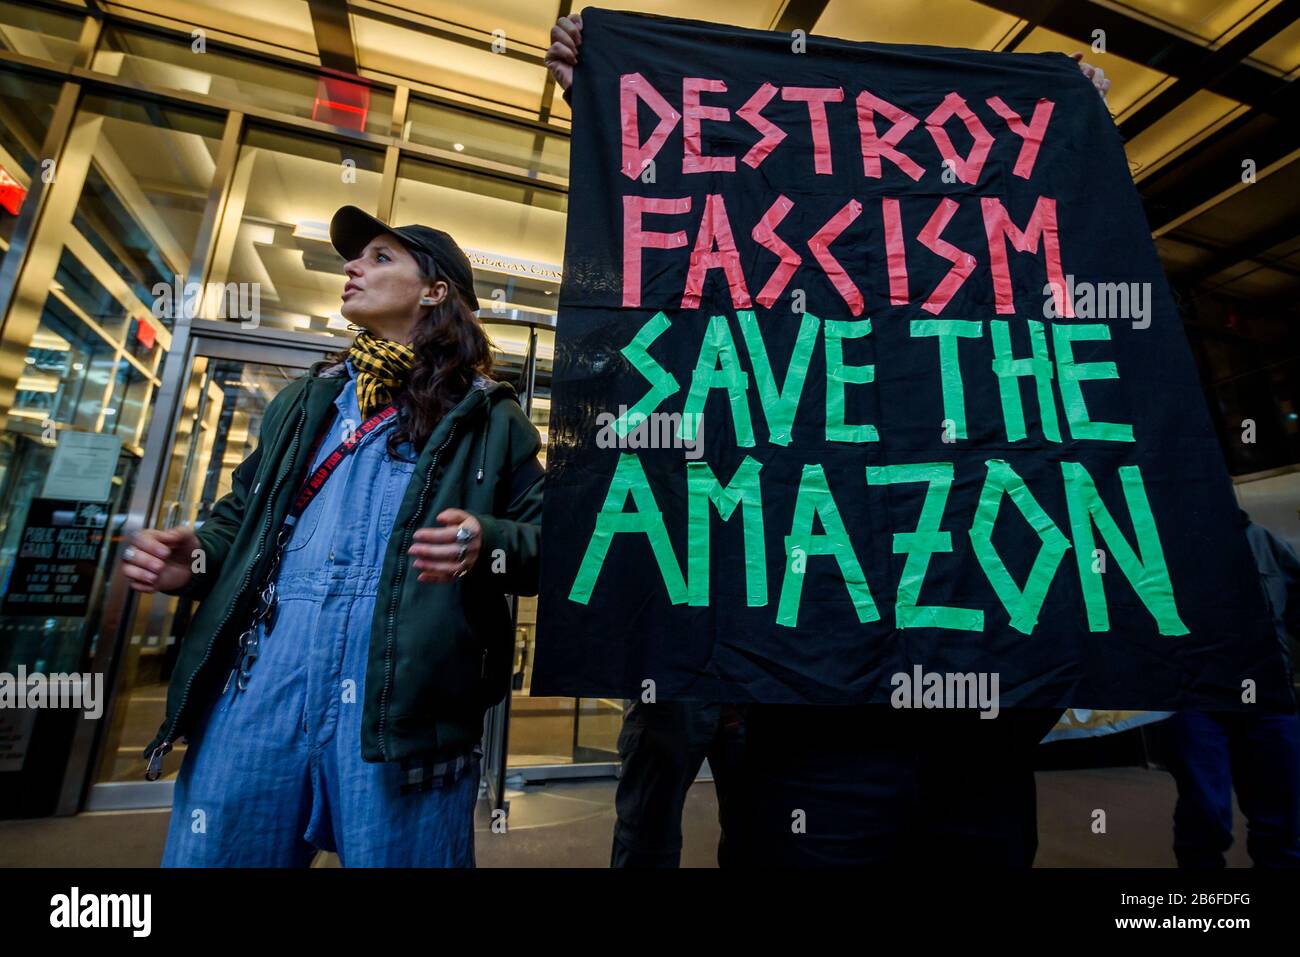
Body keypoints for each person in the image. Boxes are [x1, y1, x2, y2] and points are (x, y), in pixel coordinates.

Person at [545, 13, 1108, 868]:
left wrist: (1071, 136)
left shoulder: (993, 388)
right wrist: (620, 111)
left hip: (978, 747)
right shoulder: (764, 399)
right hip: (805, 742)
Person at [120, 206, 545, 867]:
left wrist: (484, 541)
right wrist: (196, 557)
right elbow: (240, 519)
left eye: (380, 258)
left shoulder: (490, 417)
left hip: (399, 705)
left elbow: (551, 543)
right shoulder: (305, 402)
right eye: (357, 257)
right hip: (260, 684)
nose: (352, 267)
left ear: (436, 290)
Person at [1158, 509, 1300, 868]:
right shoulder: (1163, 542)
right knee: (1205, 813)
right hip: (1194, 697)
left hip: (1267, 697)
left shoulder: (1263, 541)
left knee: (1283, 815)